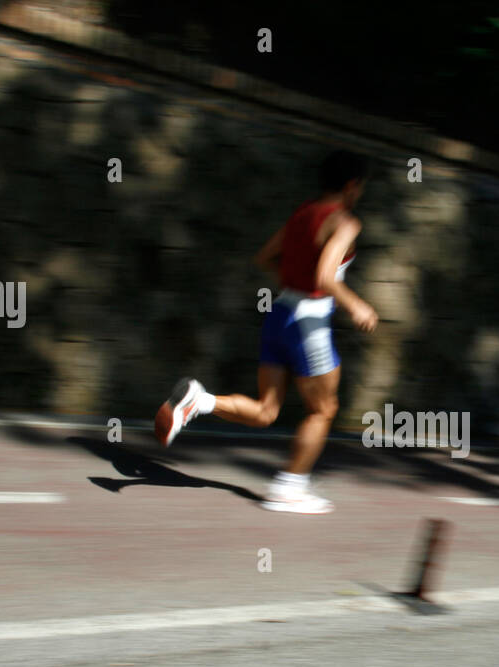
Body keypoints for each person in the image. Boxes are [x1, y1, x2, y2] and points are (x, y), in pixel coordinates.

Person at [153, 150, 378, 514]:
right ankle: (289, 487)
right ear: (352, 185)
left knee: (267, 410)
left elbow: (264, 256)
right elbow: (324, 275)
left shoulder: (303, 212)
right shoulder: (345, 222)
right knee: (323, 409)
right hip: (309, 322)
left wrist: (292, 282)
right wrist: (356, 305)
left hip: (280, 313)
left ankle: (200, 400)